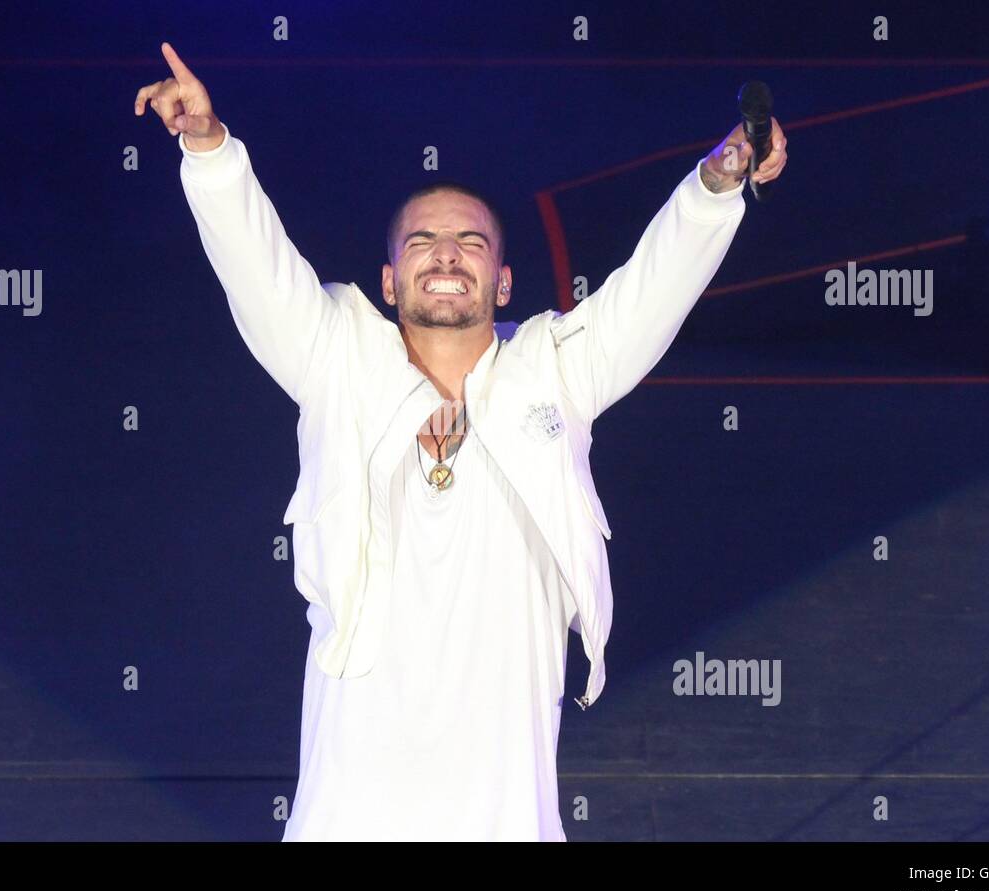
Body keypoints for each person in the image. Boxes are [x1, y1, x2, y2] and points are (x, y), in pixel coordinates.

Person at [134, 41, 788, 841]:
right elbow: (255, 268)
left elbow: (651, 293)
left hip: (505, 815)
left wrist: (716, 189)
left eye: (471, 243)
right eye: (422, 242)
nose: (446, 254)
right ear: (388, 282)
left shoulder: (555, 372)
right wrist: (208, 148)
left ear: (503, 282)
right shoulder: (333, 357)